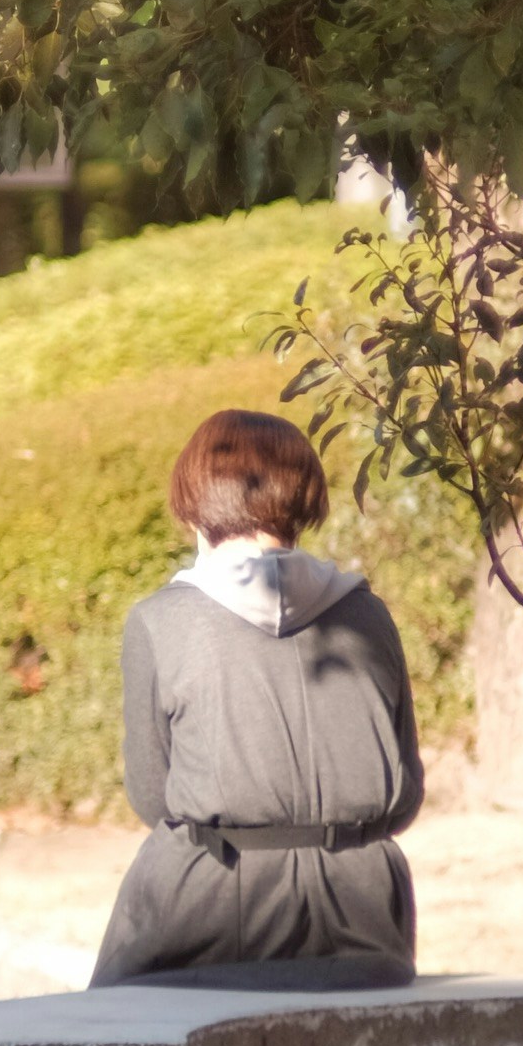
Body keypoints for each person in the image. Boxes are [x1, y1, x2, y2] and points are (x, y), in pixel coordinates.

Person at [91, 405, 424, 991]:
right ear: (306, 500)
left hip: (205, 900)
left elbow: (152, 795)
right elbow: (405, 794)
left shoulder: (163, 621)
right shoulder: (368, 616)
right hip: (361, 905)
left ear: (196, 500)